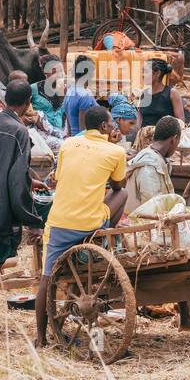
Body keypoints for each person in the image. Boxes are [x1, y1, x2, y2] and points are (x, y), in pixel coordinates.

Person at [36, 105, 128, 347]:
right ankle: (102, 237)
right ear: (104, 127)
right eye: (111, 125)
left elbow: (59, 176)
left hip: (59, 222)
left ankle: (40, 338)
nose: (113, 128)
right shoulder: (115, 151)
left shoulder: (67, 144)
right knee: (123, 194)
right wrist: (113, 146)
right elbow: (118, 186)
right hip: (90, 223)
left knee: (46, 279)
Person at [0, 80, 47, 334]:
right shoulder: (20, 131)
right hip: (5, 203)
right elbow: (16, 177)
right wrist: (31, 219)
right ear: (28, 103)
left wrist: (30, 179)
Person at [124, 117, 190, 332]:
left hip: (156, 226)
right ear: (174, 139)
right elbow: (153, 206)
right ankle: (186, 317)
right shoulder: (149, 165)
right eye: (177, 144)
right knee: (186, 247)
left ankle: (186, 317)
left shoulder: (155, 159)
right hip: (145, 230)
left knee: (187, 237)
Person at [137, 58, 184, 124]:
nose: (143, 75)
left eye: (146, 72)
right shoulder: (145, 94)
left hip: (164, 133)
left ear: (157, 73)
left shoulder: (172, 93)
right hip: (144, 133)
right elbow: (140, 118)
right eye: (142, 72)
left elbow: (180, 122)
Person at [62, 56, 99, 135]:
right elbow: (83, 130)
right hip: (83, 141)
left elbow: (69, 127)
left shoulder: (70, 91)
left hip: (73, 139)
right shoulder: (84, 96)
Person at [32, 56, 67, 132]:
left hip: (64, 134)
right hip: (41, 134)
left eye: (61, 70)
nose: (60, 74)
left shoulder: (69, 91)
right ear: (45, 72)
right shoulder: (33, 89)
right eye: (54, 72)